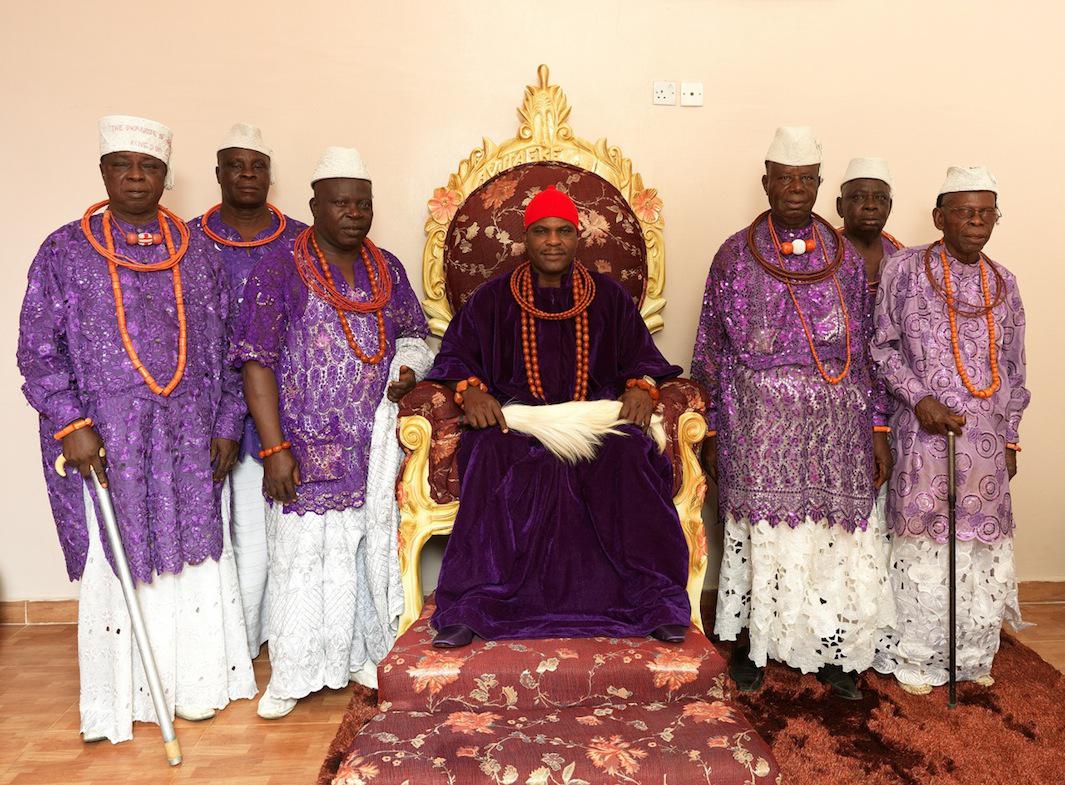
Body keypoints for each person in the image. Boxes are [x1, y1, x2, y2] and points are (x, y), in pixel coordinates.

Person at [17, 115, 255, 743]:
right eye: (122, 164)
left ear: (165, 176)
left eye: (148, 167)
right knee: (118, 557)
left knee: (193, 554)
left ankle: (196, 686)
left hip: (191, 440)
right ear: (102, 171)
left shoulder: (198, 250)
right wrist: (70, 423)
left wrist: (230, 422)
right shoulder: (65, 250)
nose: (135, 177)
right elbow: (38, 351)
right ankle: (123, 697)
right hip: (108, 440)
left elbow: (234, 349)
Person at [425, 185, 691, 649]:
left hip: (595, 423)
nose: (553, 241)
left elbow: (645, 360)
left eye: (564, 231)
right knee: (488, 450)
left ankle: (654, 602)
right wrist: (470, 392)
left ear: (577, 238)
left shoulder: (607, 297)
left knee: (629, 452)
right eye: (542, 232)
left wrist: (641, 387)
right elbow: (455, 360)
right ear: (525, 239)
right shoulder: (491, 299)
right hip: (519, 423)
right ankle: (473, 603)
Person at [691, 127, 895, 700]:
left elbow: (868, 351)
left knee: (832, 535)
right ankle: (753, 646)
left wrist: (877, 427)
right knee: (763, 536)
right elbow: (710, 346)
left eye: (806, 179)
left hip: (837, 422)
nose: (795, 189)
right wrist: (708, 427)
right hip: (759, 423)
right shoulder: (734, 254)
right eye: (784, 178)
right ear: (766, 182)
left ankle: (834, 652)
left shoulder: (846, 261)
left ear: (820, 185)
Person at [231, 146, 432, 718]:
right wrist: (273, 448)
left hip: (372, 448)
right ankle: (293, 674)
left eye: (363, 203)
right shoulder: (281, 268)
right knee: (302, 560)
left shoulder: (386, 267)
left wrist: (408, 369)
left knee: (367, 553)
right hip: (302, 445)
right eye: (341, 202)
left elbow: (416, 335)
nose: (354, 213)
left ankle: (364, 659)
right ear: (313, 204)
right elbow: (255, 360)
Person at [871, 166, 1029, 694]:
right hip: (922, 435)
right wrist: (920, 400)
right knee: (924, 546)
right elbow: (882, 348)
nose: (977, 222)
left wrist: (1008, 437)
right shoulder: (906, 269)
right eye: (965, 211)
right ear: (939, 217)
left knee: (978, 550)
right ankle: (916, 656)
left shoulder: (1004, 282)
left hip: (984, 443)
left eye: (987, 212)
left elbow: (1014, 367)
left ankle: (970, 655)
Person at [190, 123, 307, 658]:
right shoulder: (186, 241)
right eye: (235, 165)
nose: (246, 174)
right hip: (200, 406)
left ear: (269, 175)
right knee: (214, 531)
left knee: (269, 530)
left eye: (257, 165)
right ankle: (218, 642)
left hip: (279, 404)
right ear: (218, 174)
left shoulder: (300, 242)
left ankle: (262, 635)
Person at [836, 157, 904, 292]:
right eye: (858, 197)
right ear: (839, 206)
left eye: (880, 198)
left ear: (889, 207)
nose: (871, 205)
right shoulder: (823, 255)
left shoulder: (902, 260)